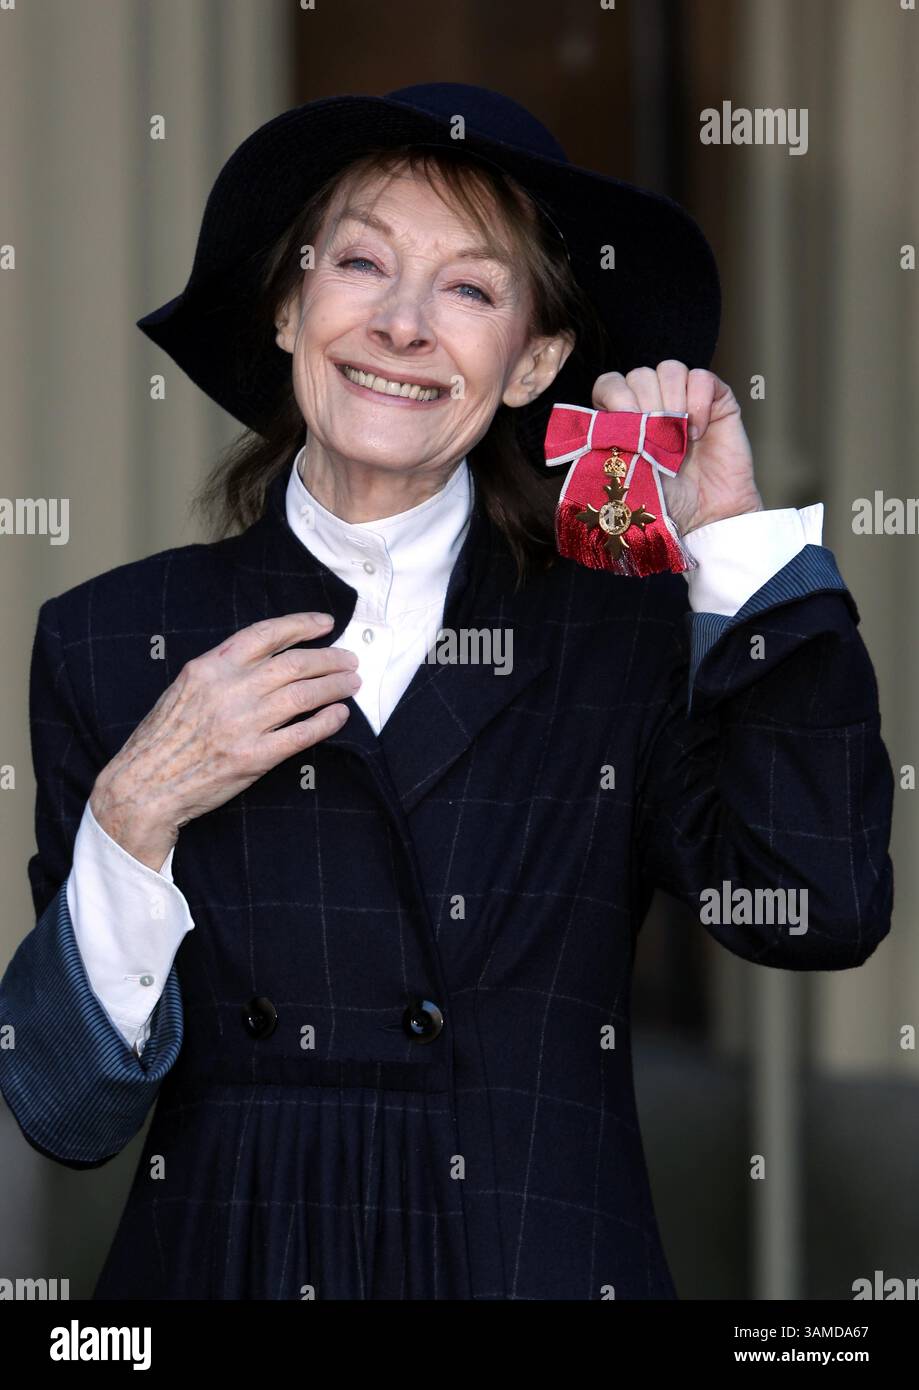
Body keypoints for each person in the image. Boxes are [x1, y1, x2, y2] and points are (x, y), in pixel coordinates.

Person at [0, 83, 894, 1300]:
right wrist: (133, 814)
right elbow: (67, 1104)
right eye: (361, 262)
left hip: (530, 1261)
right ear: (286, 305)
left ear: (532, 361)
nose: (403, 324)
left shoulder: (620, 637)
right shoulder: (110, 639)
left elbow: (817, 900)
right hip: (231, 1260)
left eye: (469, 289)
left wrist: (730, 538)